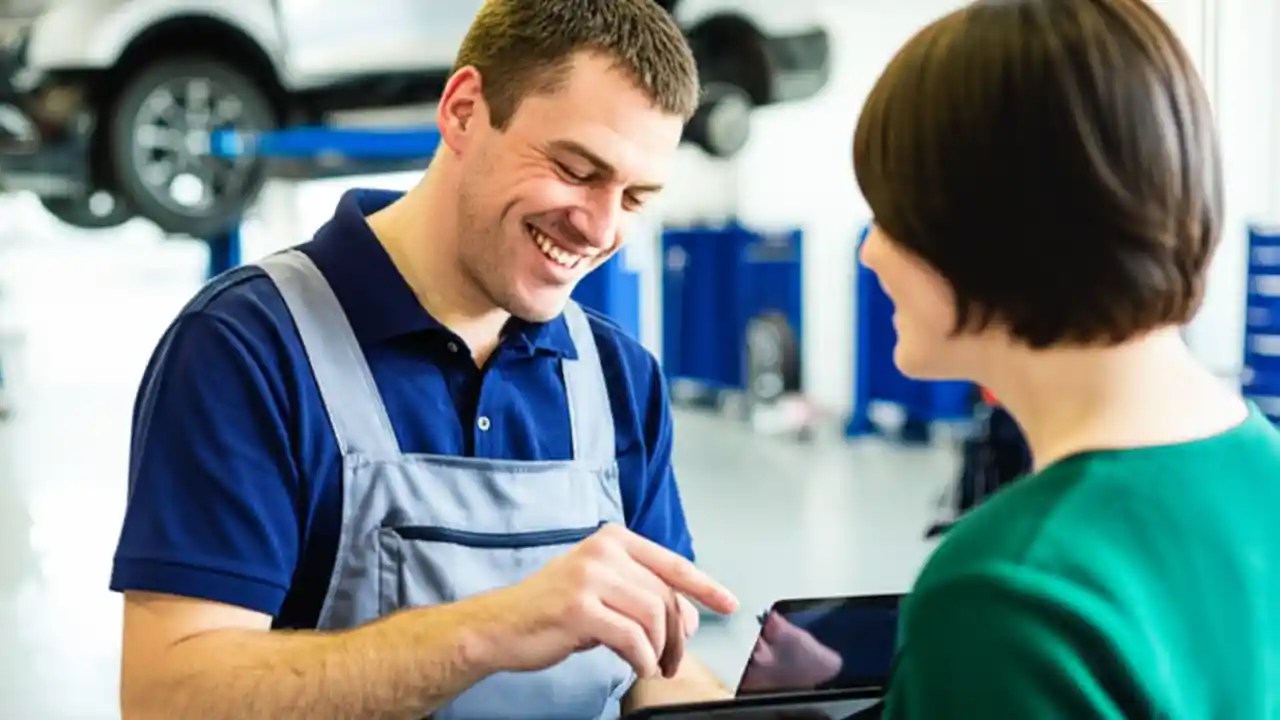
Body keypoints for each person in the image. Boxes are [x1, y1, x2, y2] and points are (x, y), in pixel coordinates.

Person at [109, 1, 740, 717]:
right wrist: (490, 629)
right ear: (465, 110)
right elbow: (170, 698)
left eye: (635, 196)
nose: (599, 228)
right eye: (574, 169)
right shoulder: (248, 347)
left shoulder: (620, 379)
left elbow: (657, 672)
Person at [852, 0, 1280, 716]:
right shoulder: (1262, 470)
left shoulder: (1010, 594)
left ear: (987, 224)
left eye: (890, 213)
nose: (870, 251)